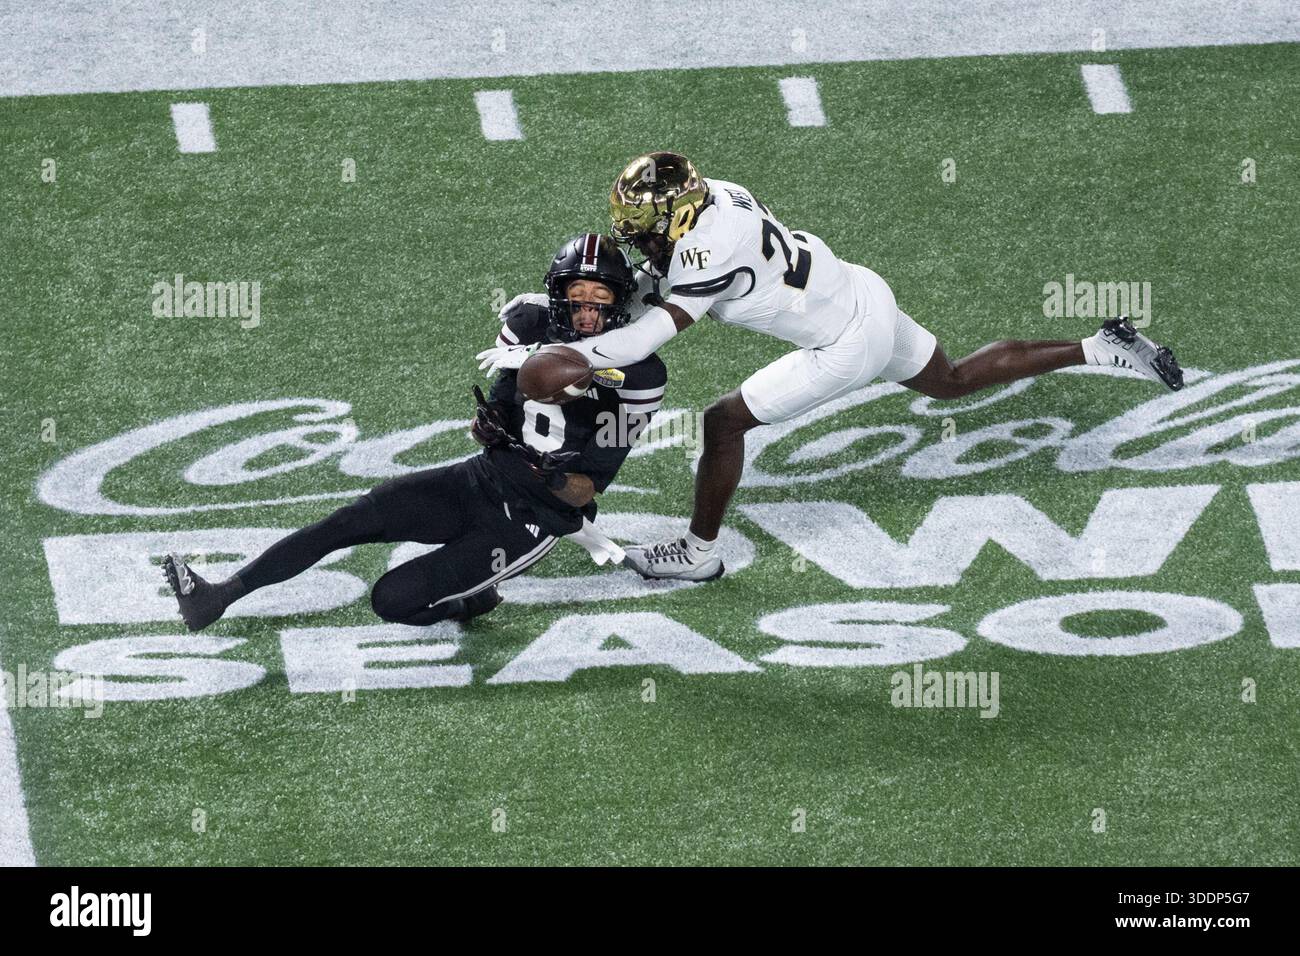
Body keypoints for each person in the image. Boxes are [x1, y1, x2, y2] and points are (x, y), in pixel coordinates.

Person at [478, 152, 1185, 582]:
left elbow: (644, 340)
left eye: (642, 226)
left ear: (676, 215)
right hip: (859, 291)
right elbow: (662, 282)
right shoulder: (715, 195)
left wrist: (552, 355)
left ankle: (698, 551)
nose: (637, 238)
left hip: (845, 341)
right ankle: (1101, 347)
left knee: (723, 424)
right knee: (954, 380)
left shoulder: (703, 250)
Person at [163, 233, 666, 630]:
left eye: (600, 299)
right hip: (482, 479)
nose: (587, 312)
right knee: (350, 519)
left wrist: (551, 477)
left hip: (534, 519)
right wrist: (487, 427)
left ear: (620, 302)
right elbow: (484, 426)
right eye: (577, 297)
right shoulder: (530, 325)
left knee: (392, 600)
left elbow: (583, 493)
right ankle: (220, 596)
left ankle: (469, 603)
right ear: (557, 296)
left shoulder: (639, 377)